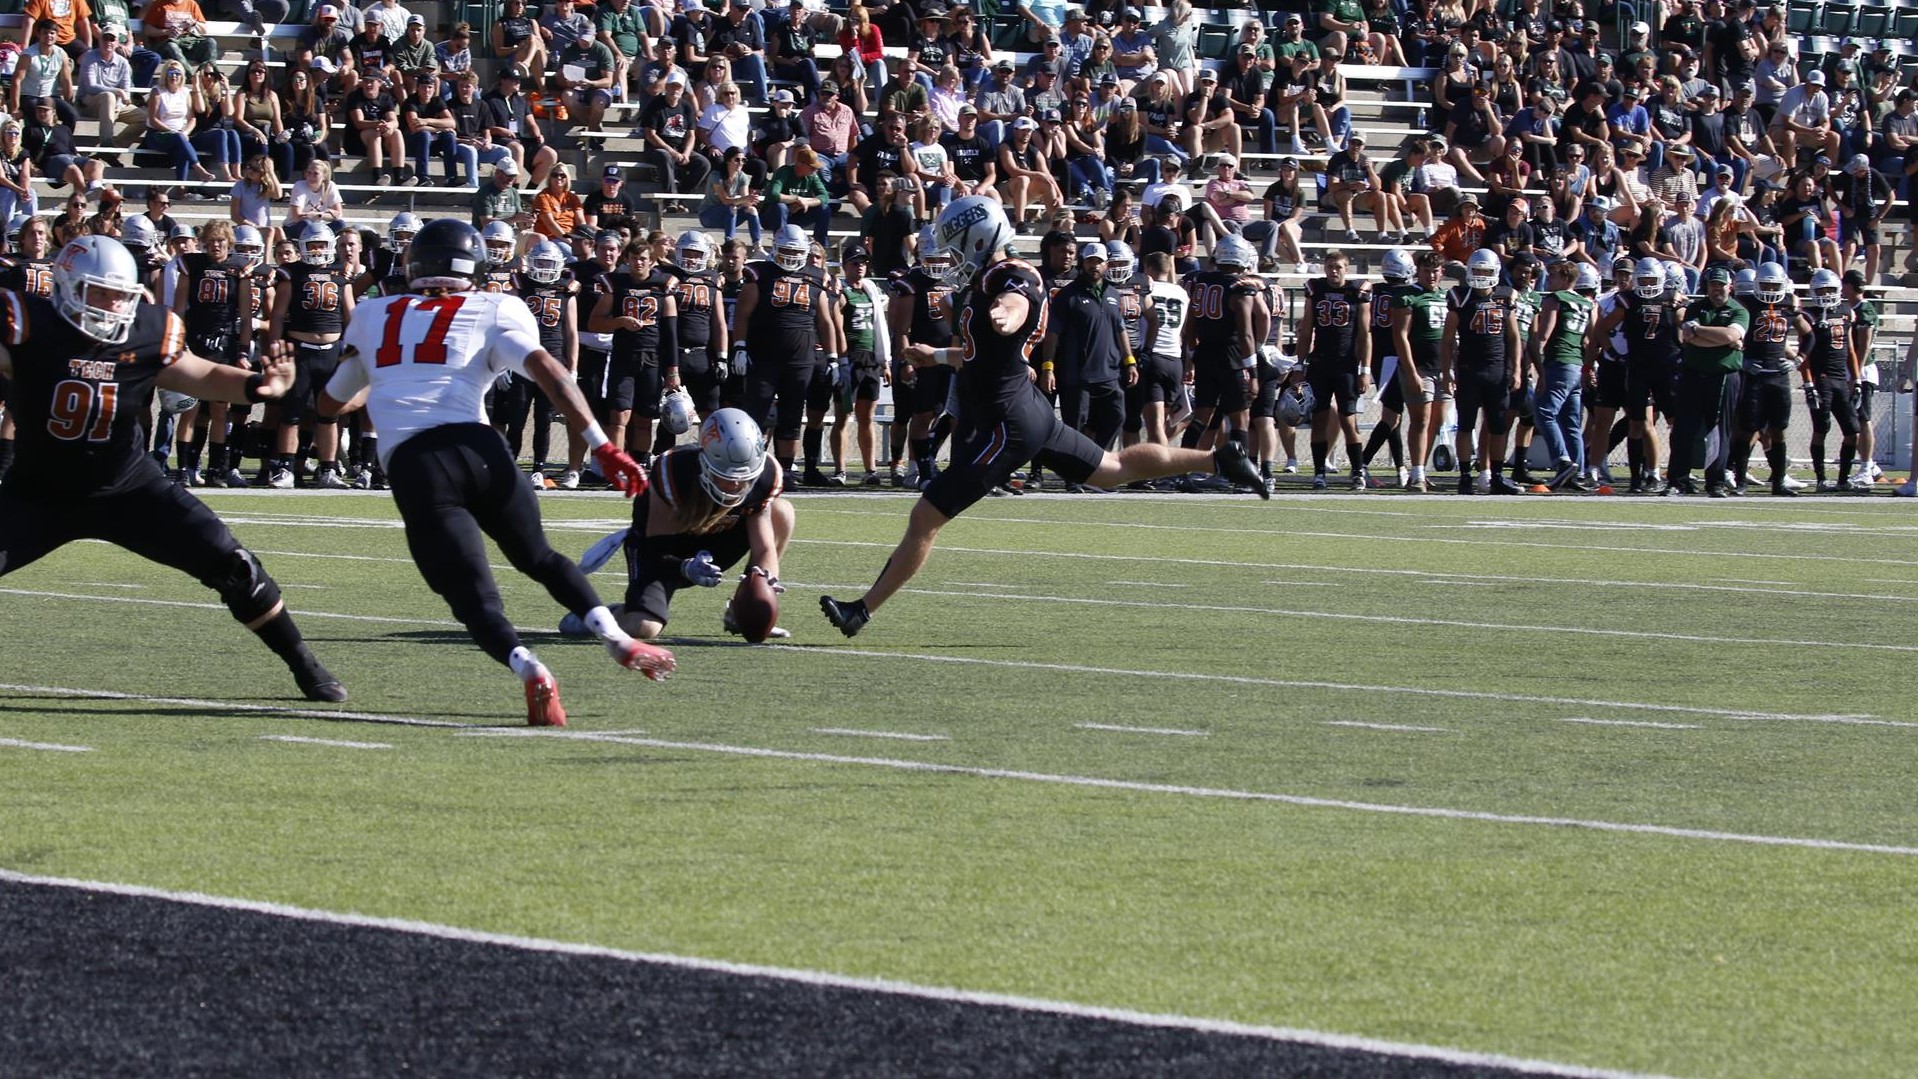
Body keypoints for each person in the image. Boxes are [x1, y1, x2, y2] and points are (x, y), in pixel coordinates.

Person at [819, 197, 1267, 638]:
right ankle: (1217, 459)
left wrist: (1003, 315)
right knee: (1112, 470)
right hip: (1023, 408)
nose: (951, 258)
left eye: (956, 246)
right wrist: (936, 355)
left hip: (1007, 422)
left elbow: (1014, 309)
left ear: (978, 239)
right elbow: (982, 357)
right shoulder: (988, 279)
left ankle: (861, 610)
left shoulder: (1013, 278)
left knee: (925, 517)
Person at [317, 218, 674, 726]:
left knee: (472, 596)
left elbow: (332, 403)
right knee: (540, 557)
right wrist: (601, 446)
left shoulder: (373, 314)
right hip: (481, 447)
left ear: (413, 265)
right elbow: (550, 371)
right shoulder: (496, 305)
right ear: (479, 266)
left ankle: (529, 667)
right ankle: (617, 638)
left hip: (419, 466)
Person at [0, 234, 344, 703]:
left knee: (234, 564)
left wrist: (259, 387)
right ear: (65, 285)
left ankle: (304, 662)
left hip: (128, 489)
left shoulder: (147, 330)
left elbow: (199, 373)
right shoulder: (26, 324)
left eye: (120, 294)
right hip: (37, 493)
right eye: (99, 292)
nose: (112, 305)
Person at [733, 224, 839, 475]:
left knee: (791, 417)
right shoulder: (759, 272)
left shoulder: (816, 276)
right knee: (755, 415)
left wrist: (833, 357)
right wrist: (739, 346)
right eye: (786, 250)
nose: (791, 256)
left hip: (801, 359)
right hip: (764, 357)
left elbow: (825, 321)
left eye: (795, 251)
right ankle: (750, 467)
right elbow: (742, 314)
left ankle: (786, 471)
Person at [265, 220, 354, 488]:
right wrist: (274, 344)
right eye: (312, 245)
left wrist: (355, 347)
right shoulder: (291, 273)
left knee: (329, 415)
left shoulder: (341, 274)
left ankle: (328, 469)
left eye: (320, 245)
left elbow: (351, 315)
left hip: (331, 352)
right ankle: (287, 469)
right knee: (291, 413)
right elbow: (278, 314)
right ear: (303, 247)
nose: (316, 251)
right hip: (300, 350)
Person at [1443, 248, 1523, 495]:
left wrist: (1517, 369)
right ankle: (1466, 476)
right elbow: (1447, 340)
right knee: (1466, 426)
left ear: (1496, 273)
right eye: (1476, 270)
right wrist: (1446, 373)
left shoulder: (1506, 296)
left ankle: (1497, 476)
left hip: (1497, 370)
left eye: (1485, 271)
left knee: (1498, 426)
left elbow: (1514, 336)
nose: (1480, 276)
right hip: (1469, 369)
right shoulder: (1460, 297)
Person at [1667, 265, 1750, 496]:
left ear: (1729, 286)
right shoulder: (1696, 308)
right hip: (1693, 374)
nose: (1716, 289)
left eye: (1720, 284)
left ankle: (1715, 482)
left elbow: (1732, 335)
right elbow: (1688, 338)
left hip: (1723, 376)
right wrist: (1720, 340)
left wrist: (1701, 331)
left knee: (1718, 432)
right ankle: (1677, 481)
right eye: (1713, 284)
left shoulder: (1738, 310)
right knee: (1684, 429)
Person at [1727, 260, 1807, 496]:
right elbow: (1732, 334)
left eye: (1774, 286)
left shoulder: (1789, 304)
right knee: (1746, 429)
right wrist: (1742, 359)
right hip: (1754, 377)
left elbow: (1808, 334)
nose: (1770, 291)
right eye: (1765, 285)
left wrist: (1798, 359)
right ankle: (1740, 481)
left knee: (1778, 431)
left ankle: (1778, 482)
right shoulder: (1745, 303)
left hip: (1778, 377)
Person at [1298, 249, 1371, 489]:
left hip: (1346, 365)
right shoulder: (1315, 289)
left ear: (1346, 268)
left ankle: (1358, 470)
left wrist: (1365, 369)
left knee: (1348, 420)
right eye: (1330, 266)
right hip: (1320, 363)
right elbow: (1306, 329)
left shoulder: (1357, 291)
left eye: (1338, 267)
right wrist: (1299, 364)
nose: (1334, 271)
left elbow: (1364, 334)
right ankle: (1319, 472)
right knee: (1318, 419)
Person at [1528, 261, 1598, 490]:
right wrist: (1588, 368)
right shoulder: (1587, 303)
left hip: (1559, 362)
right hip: (1577, 366)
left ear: (1566, 278)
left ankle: (1563, 461)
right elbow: (1590, 340)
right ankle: (1578, 471)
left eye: (1553, 277)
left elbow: (1544, 335)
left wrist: (1530, 363)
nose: (1548, 281)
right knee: (1570, 422)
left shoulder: (1554, 300)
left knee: (1544, 412)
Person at [1799, 268, 1860, 492]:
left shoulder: (1846, 311)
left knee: (1853, 431)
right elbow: (1804, 353)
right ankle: (1821, 479)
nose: (1825, 294)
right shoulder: (1809, 315)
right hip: (1821, 378)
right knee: (1821, 429)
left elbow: (1851, 349)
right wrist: (1808, 383)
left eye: (1829, 289)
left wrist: (1857, 379)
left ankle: (1843, 479)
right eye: (1821, 290)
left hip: (1840, 380)